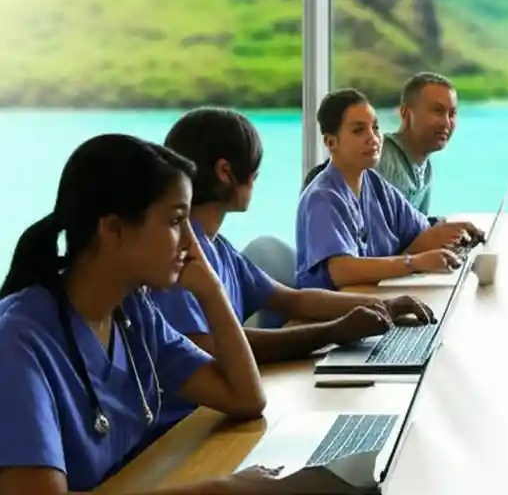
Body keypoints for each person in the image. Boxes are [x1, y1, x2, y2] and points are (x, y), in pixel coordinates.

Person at [0, 134, 280, 494]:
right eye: (176, 220)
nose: (190, 244)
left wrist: (212, 291)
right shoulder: (19, 341)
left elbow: (245, 398)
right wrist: (223, 489)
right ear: (113, 230)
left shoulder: (132, 313)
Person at [148, 107, 437, 433]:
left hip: (216, 415)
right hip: (185, 427)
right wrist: (331, 332)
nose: (257, 177)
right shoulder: (179, 263)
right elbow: (215, 350)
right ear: (226, 172)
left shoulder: (219, 248)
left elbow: (292, 299)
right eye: (254, 169)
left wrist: (384, 307)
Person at [296, 89, 483, 290]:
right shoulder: (323, 197)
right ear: (331, 143)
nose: (373, 138)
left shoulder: (374, 184)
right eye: (359, 130)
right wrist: (414, 263)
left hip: (371, 300)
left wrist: (450, 230)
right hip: (330, 312)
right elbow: (341, 271)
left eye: (375, 128)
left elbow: (419, 230)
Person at [374, 72, 458, 219]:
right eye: (437, 111)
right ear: (405, 113)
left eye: (451, 114)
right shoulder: (380, 156)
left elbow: (415, 228)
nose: (446, 123)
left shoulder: (426, 169)